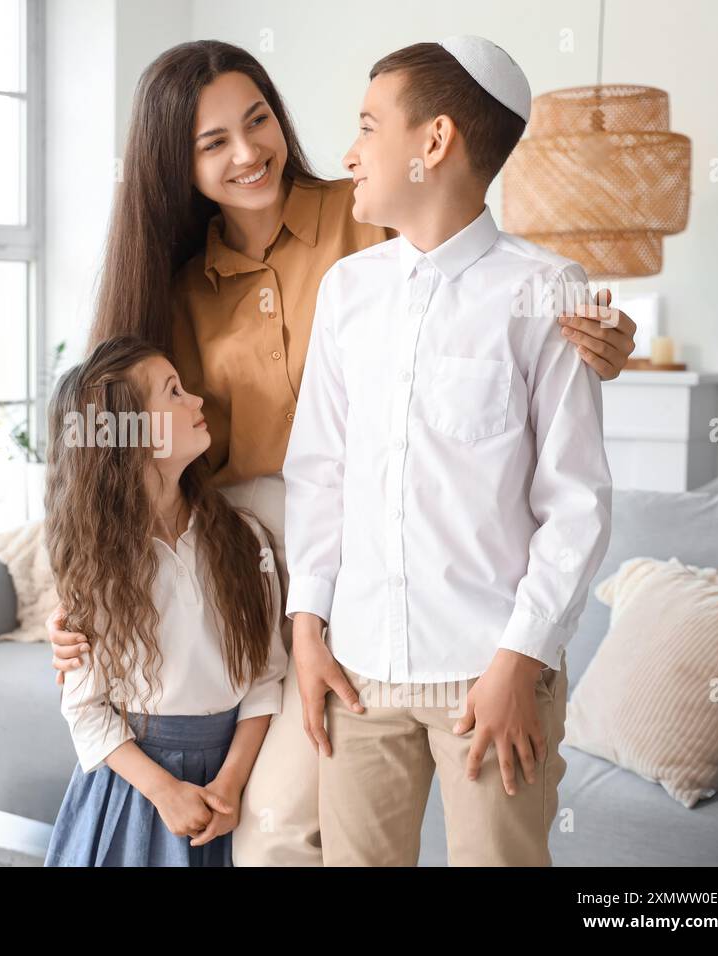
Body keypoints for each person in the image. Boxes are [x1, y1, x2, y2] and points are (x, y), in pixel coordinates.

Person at [47, 40, 638, 867]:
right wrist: (82, 592)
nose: (248, 152)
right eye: (212, 143)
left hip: (386, 590)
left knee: (291, 826)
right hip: (243, 564)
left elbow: (474, 258)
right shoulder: (172, 286)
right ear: (171, 165)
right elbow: (112, 447)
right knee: (278, 837)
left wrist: (593, 325)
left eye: (257, 121)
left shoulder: (369, 213)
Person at [284, 37, 612, 866]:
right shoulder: (348, 292)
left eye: (367, 126)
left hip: (490, 676)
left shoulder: (547, 290)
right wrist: (307, 628)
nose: (349, 153)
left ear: (434, 143)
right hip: (356, 669)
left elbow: (575, 502)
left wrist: (519, 662)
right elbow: (320, 471)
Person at [42, 337, 288, 867]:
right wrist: (164, 792)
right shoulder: (98, 562)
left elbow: (266, 679)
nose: (197, 400)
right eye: (173, 392)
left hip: (226, 782)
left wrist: (229, 785)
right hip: (134, 789)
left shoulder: (246, 539)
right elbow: (85, 710)